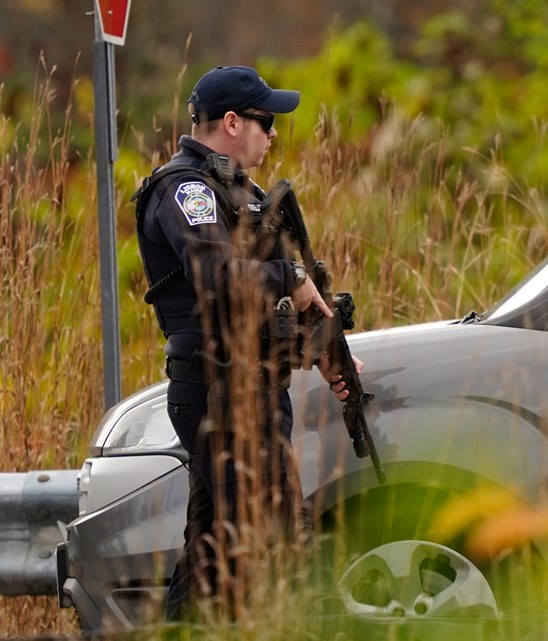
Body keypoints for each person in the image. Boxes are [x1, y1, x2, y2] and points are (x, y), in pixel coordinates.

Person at [132, 65, 361, 622]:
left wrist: (322, 347)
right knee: (284, 541)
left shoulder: (245, 194)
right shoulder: (185, 190)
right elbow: (219, 281)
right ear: (232, 122)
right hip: (221, 392)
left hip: (250, 390)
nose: (274, 132)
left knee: (209, 558)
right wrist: (290, 278)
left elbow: (263, 312)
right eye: (266, 120)